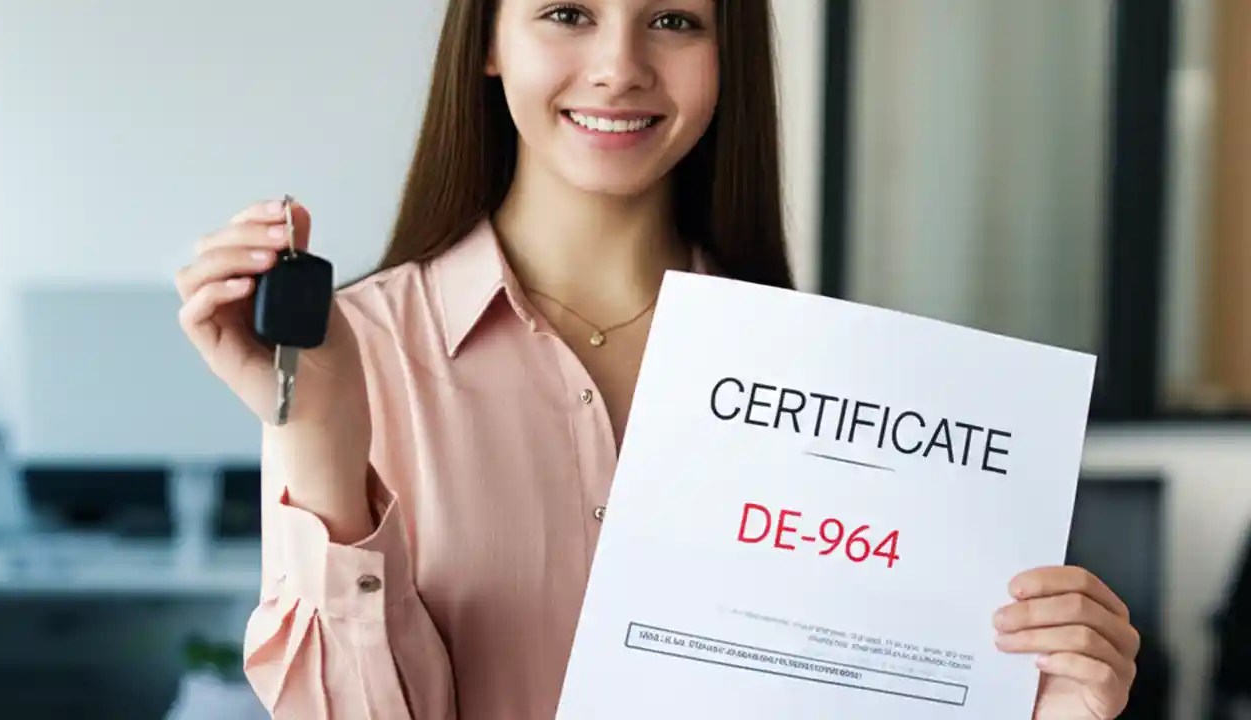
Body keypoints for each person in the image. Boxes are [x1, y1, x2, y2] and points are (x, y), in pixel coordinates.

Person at [174, 0, 1141, 717]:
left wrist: (1037, 694)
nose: (619, 66)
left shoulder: (849, 385)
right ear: (487, 42)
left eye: (674, 19)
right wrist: (323, 435)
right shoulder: (354, 356)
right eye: (568, 13)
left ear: (729, 56)